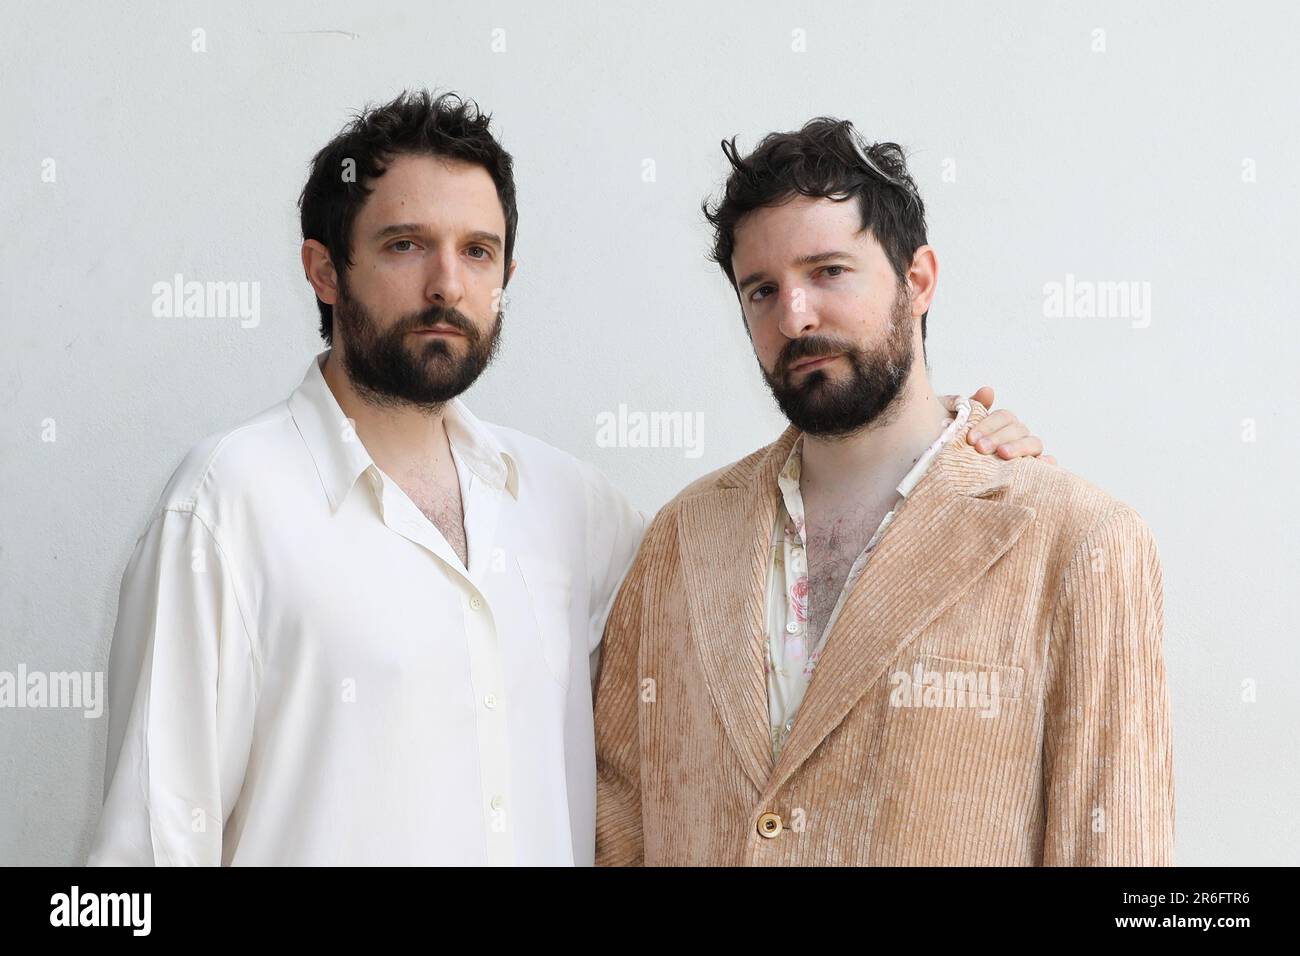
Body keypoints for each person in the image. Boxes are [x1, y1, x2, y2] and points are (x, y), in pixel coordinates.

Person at [88, 91, 1046, 866]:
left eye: (478, 252)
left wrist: (946, 443)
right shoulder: (224, 506)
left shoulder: (572, 511)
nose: (446, 286)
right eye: (404, 245)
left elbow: (762, 577)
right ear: (324, 270)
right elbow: (140, 855)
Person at [594, 117, 1173, 866]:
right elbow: (621, 833)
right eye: (761, 290)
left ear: (919, 279)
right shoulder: (678, 539)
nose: (794, 316)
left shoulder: (1079, 542)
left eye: (828, 272)